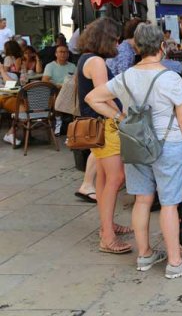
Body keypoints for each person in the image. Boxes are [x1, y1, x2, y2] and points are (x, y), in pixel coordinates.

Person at [86, 23, 182, 279]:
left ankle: (145, 254)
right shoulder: (170, 78)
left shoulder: (126, 76)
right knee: (170, 204)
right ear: (162, 46)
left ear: (137, 47)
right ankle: (174, 262)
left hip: (136, 143)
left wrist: (119, 116)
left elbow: (92, 98)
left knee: (142, 200)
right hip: (169, 145)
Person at [76, 17, 132, 252]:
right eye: (115, 39)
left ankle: (106, 225)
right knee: (116, 178)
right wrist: (122, 117)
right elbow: (104, 96)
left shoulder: (84, 58)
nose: (117, 44)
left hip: (96, 126)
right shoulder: (97, 62)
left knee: (103, 178)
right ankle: (107, 237)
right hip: (106, 124)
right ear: (106, 39)